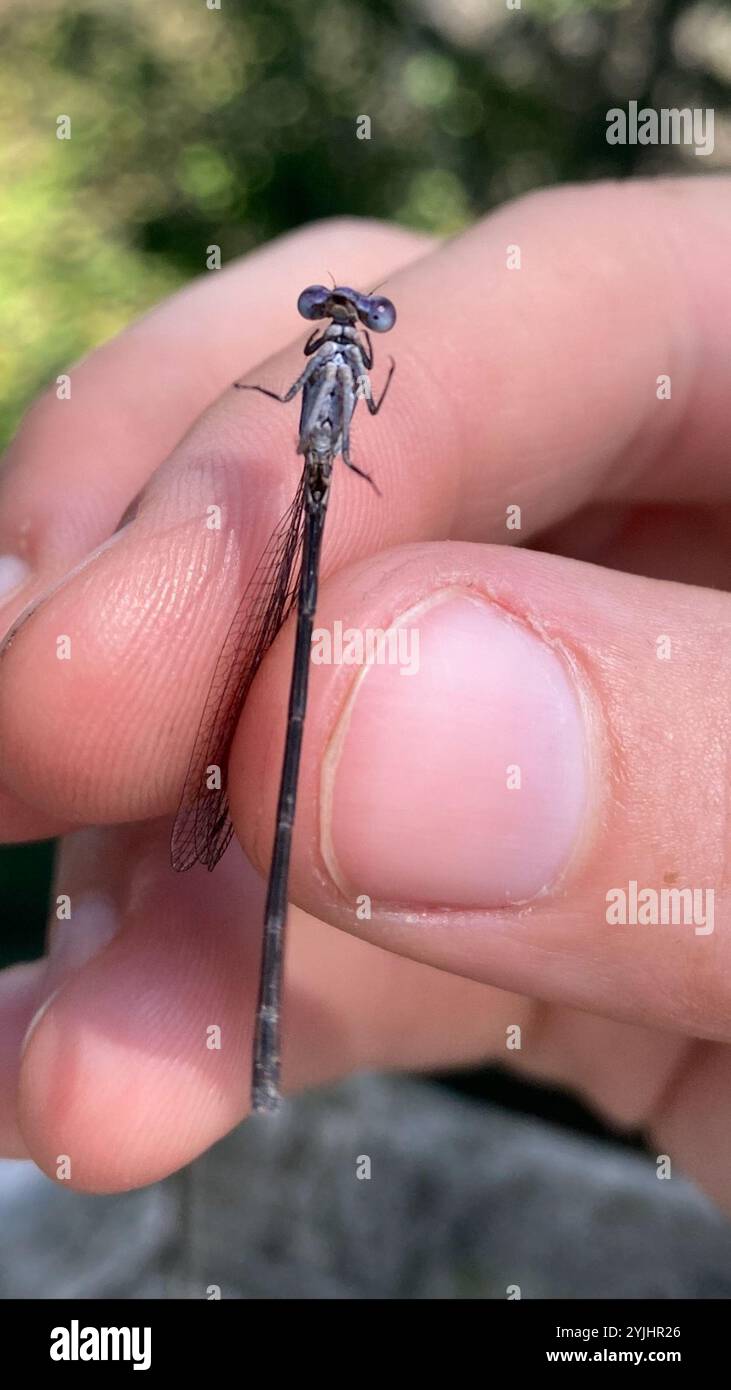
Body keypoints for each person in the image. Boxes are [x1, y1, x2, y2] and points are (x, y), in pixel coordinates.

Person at [0, 177, 728, 1210]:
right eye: (334, 323)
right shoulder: (351, 379)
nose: (340, 330)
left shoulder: (320, 378)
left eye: (352, 323)